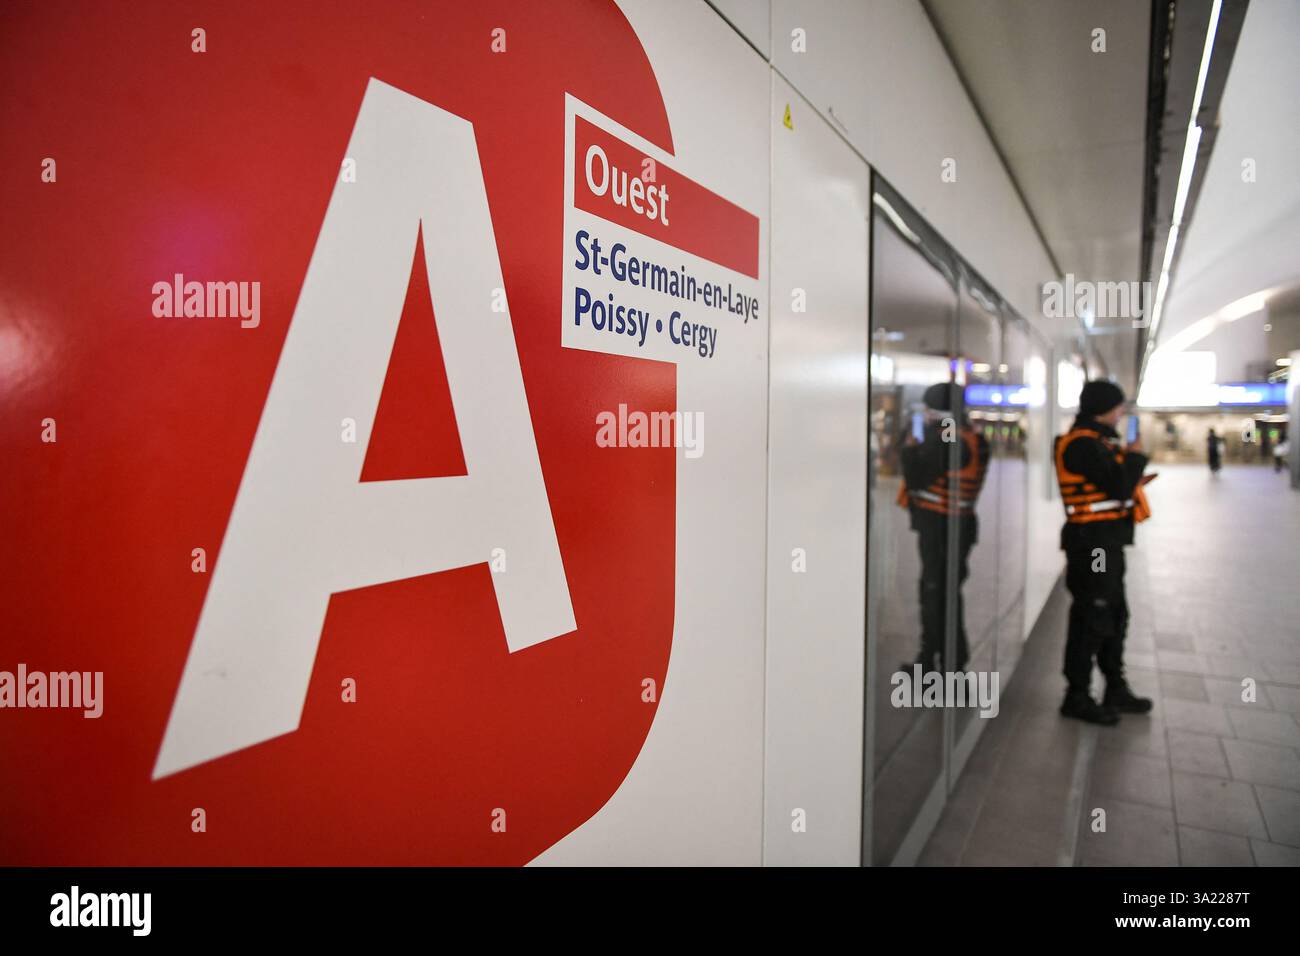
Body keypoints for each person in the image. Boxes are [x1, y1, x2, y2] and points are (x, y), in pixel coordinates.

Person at [1055, 380, 1153, 725]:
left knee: (1115, 614)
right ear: (1103, 408)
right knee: (1092, 614)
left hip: (1106, 542)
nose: (1121, 413)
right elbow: (1118, 485)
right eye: (1117, 407)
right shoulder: (1081, 445)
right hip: (1092, 545)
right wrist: (1137, 457)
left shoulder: (1097, 443)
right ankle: (1076, 695)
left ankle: (1115, 686)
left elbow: (1115, 487)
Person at [896, 382, 989, 673]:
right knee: (944, 595)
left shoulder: (949, 438)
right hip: (956, 526)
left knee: (935, 594)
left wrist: (910, 448)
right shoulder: (972, 437)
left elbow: (917, 476)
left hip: (941, 528)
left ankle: (942, 667)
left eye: (928, 408)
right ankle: (942, 662)